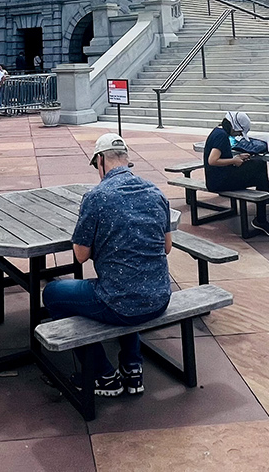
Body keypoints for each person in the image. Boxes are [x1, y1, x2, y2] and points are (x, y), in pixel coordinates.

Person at [42, 133, 173, 398]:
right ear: (126, 159)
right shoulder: (155, 192)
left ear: (100, 160)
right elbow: (166, 247)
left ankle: (102, 374)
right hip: (160, 297)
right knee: (127, 287)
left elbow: (80, 255)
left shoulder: (97, 197)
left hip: (117, 300)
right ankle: (133, 367)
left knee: (53, 293)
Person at [203, 111, 269, 237]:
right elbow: (212, 160)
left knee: (257, 168)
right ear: (234, 127)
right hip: (219, 182)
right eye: (239, 132)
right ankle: (262, 216)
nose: (238, 135)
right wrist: (234, 160)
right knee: (259, 166)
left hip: (217, 179)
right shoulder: (222, 136)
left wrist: (238, 157)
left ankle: (264, 207)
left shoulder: (218, 131)